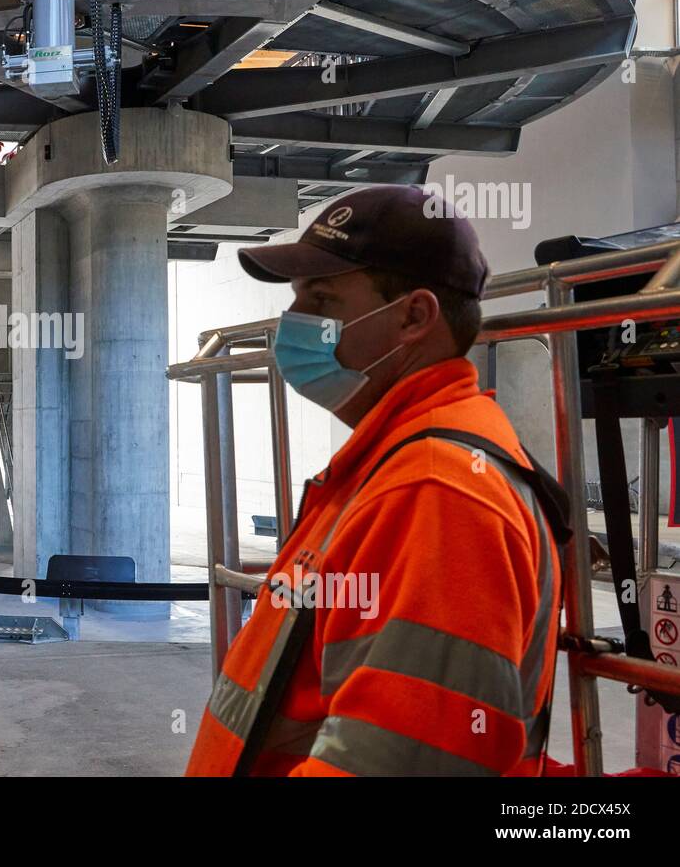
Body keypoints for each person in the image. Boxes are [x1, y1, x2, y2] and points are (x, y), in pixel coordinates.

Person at [186, 186, 567, 776]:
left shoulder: (439, 493)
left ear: (414, 316)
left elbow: (399, 762)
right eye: (297, 298)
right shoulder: (391, 461)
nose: (294, 322)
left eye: (322, 297)